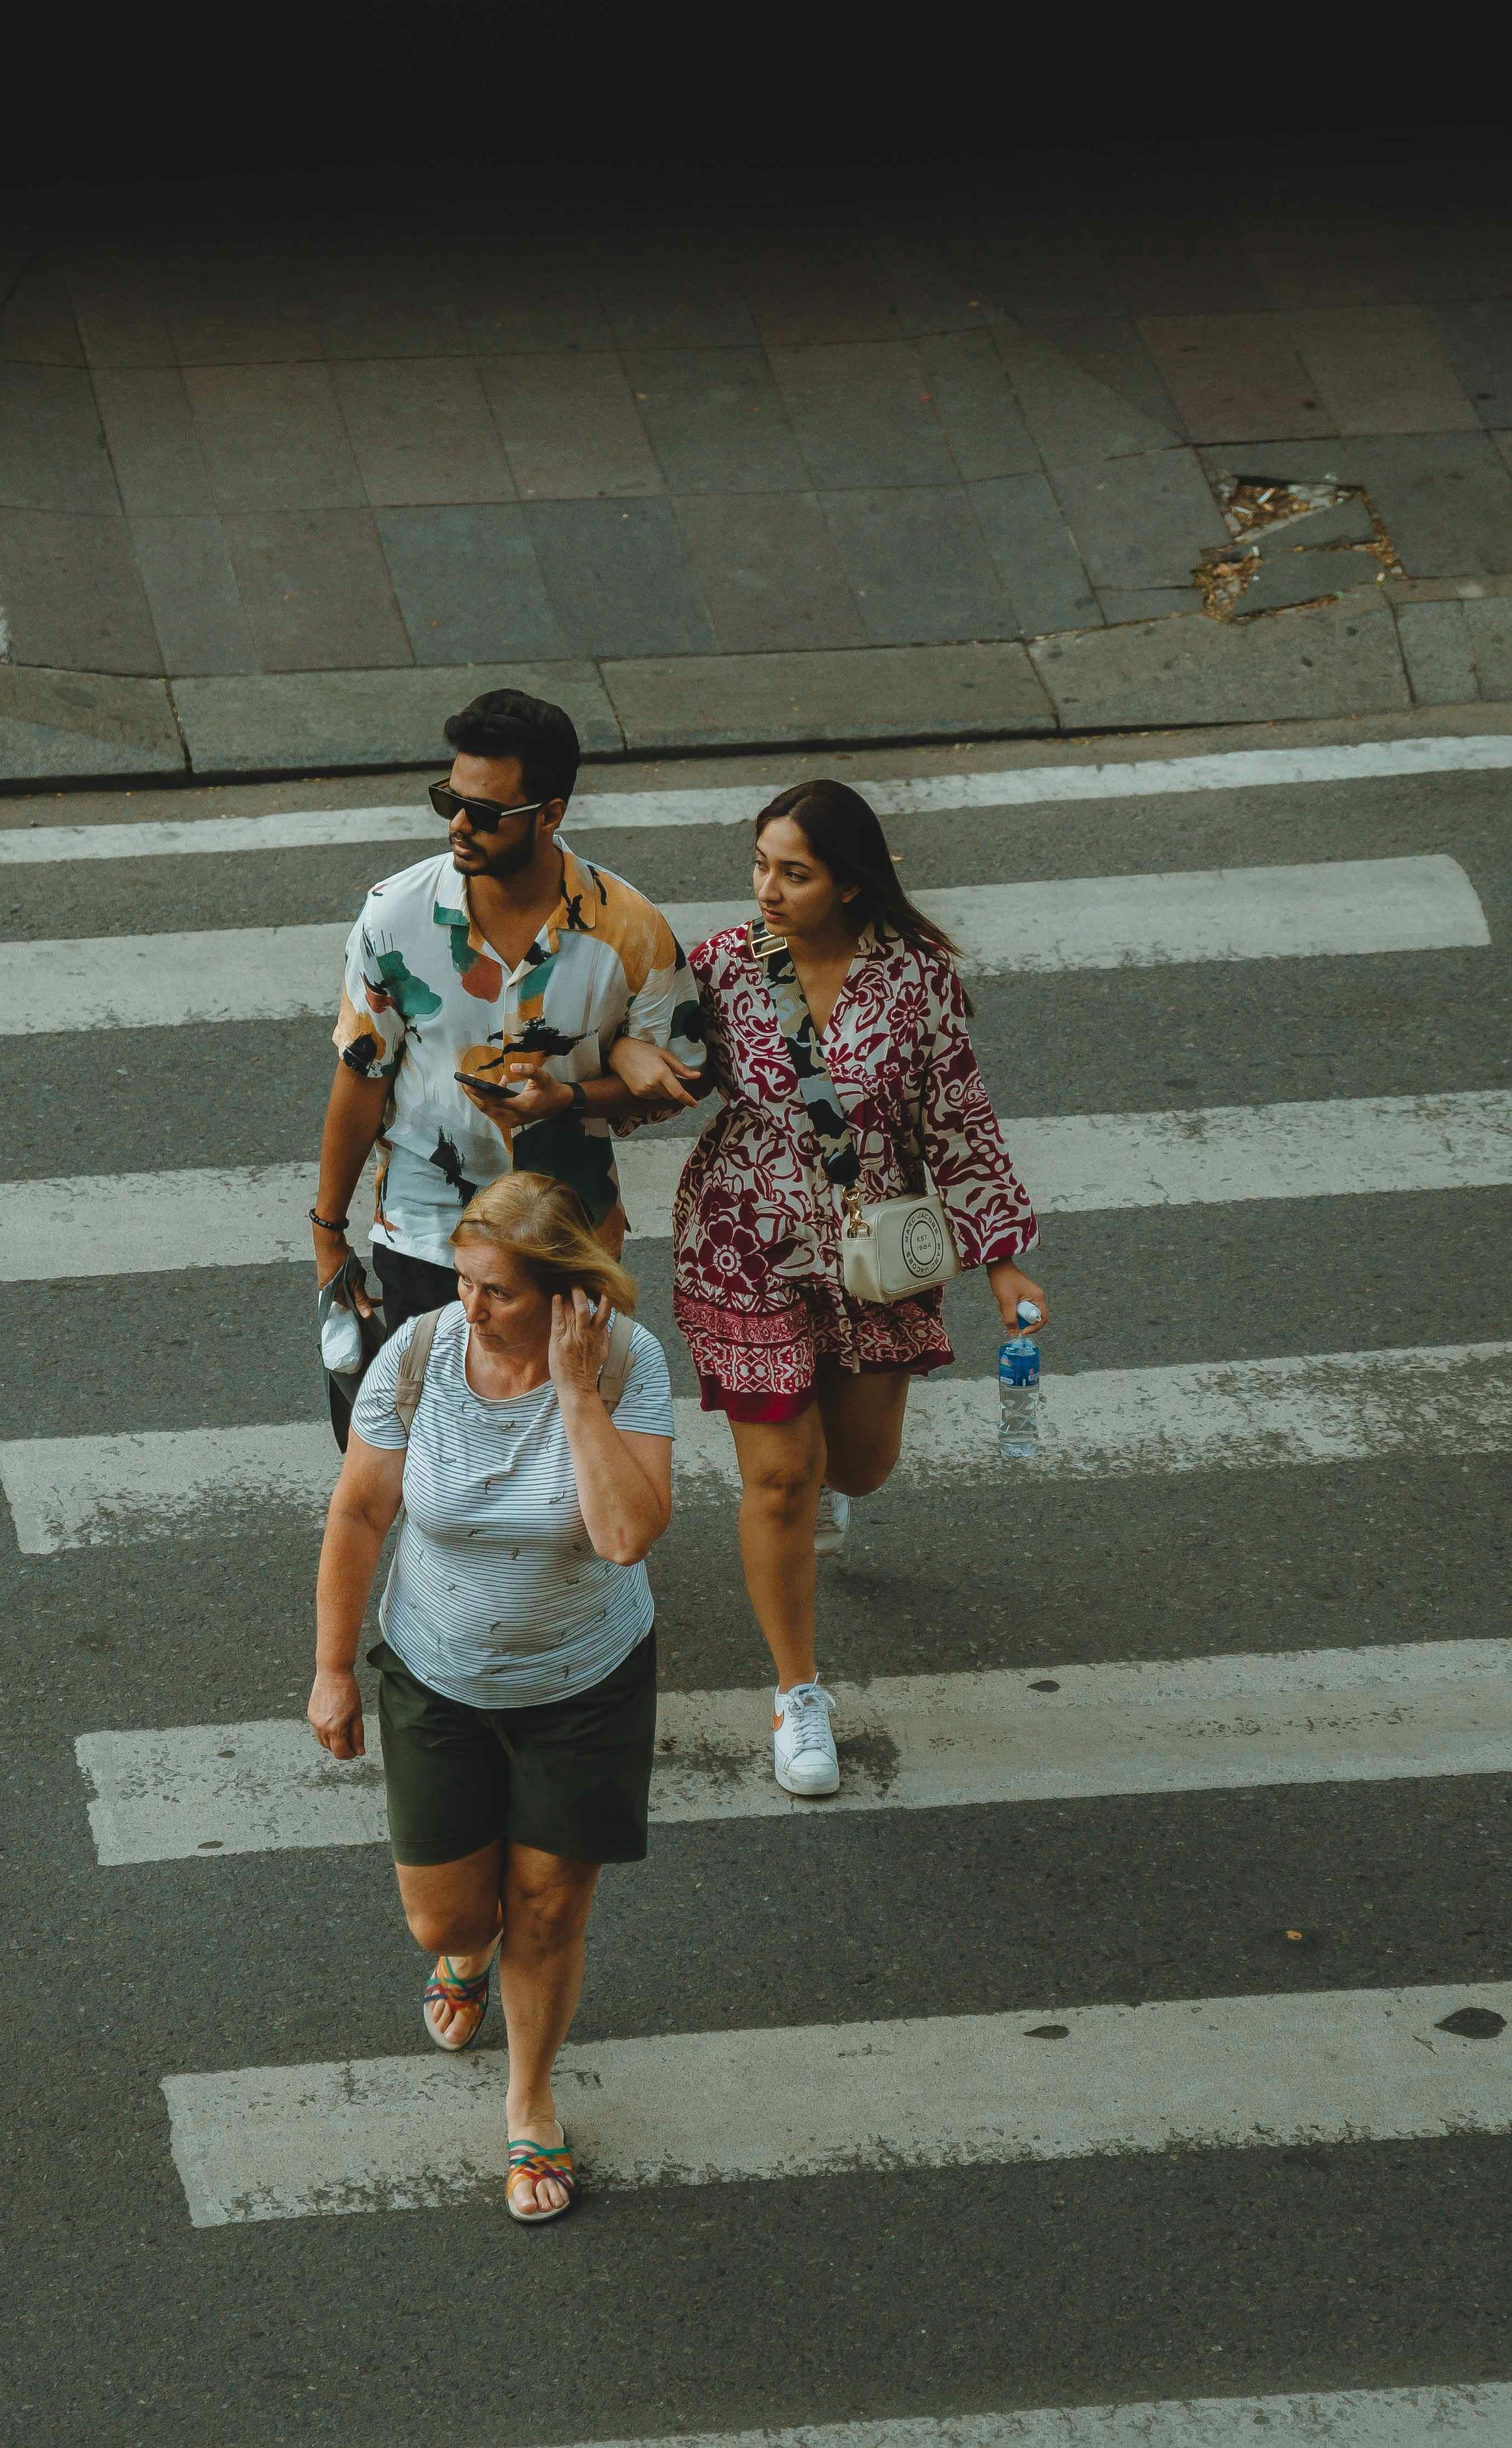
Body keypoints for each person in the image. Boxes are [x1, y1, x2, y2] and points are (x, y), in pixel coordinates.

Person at [652, 778, 1044, 1803]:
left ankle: (831, 1490)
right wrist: (582, 1090)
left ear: (852, 884)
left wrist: (1002, 1259)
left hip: (874, 1252)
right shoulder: (727, 968)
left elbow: (959, 1121)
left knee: (860, 1469)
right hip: (742, 1241)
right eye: (761, 864)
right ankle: (799, 1695)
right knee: (776, 1477)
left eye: (795, 871)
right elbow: (667, 1073)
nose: (767, 888)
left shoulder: (916, 984)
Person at [307, 1171, 675, 2224]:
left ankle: (531, 2098)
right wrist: (333, 1669)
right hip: (439, 1681)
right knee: (447, 1916)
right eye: (467, 1283)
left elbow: (625, 1536)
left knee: (552, 1909)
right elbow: (359, 1518)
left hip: (585, 1686)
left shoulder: (627, 1365)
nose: (471, 1307)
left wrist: (573, 1392)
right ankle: (470, 1954)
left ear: (566, 1292)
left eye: (499, 1290)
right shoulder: (418, 1358)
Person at [310, 687, 703, 1350]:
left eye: (485, 812)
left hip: (567, 1241)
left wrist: (574, 1099)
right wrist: (328, 1237)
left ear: (549, 815)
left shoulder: (630, 929)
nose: (459, 824)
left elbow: (680, 1080)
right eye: (450, 801)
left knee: (565, 1444)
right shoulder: (394, 918)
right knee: (429, 1445)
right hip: (430, 1236)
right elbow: (362, 1077)